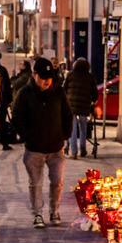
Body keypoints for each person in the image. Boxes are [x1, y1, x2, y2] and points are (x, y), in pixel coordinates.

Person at [13, 57, 72, 229]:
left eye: (50, 77)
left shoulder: (58, 92)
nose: (47, 80)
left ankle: (55, 211)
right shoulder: (25, 93)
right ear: (34, 75)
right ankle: (37, 213)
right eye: (43, 77)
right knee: (36, 183)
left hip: (56, 148)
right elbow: (17, 117)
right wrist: (27, 136)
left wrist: (64, 135)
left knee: (57, 181)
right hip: (34, 149)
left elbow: (67, 115)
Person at [63, 58, 97, 158]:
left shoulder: (70, 75)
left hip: (71, 106)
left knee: (72, 129)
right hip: (84, 105)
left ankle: (73, 152)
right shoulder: (89, 77)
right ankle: (83, 148)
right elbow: (94, 92)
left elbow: (64, 88)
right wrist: (93, 100)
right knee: (83, 127)